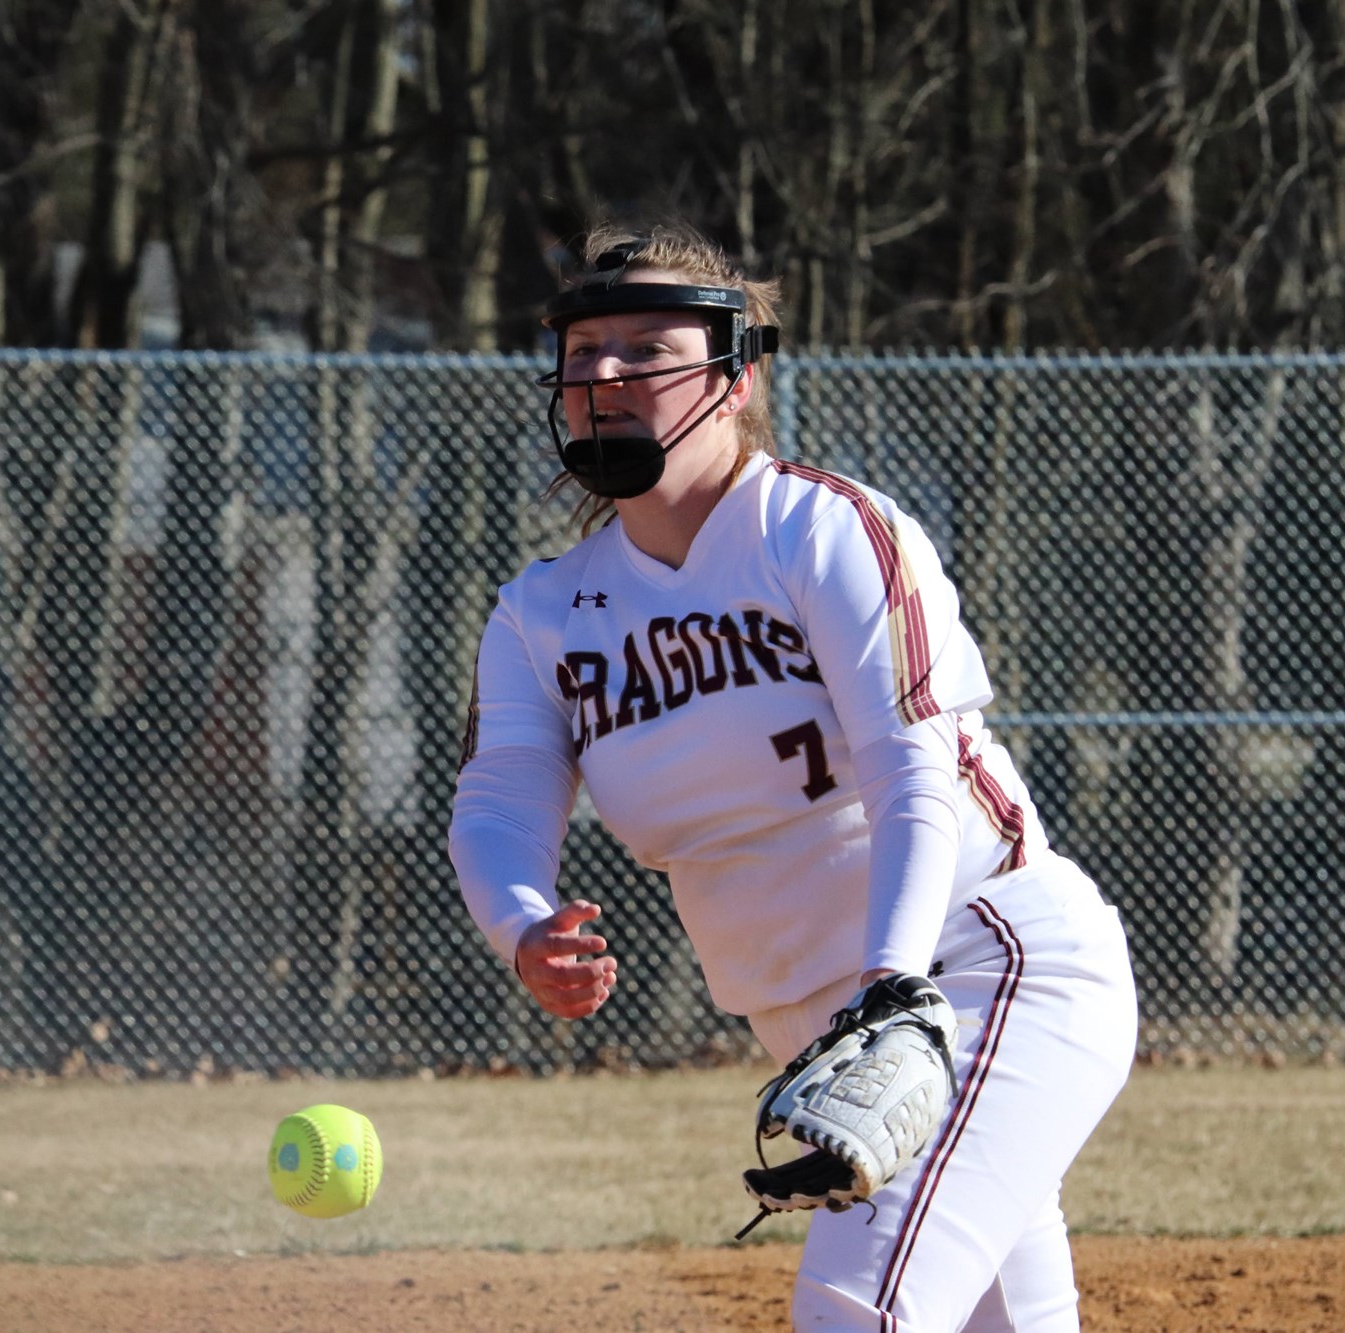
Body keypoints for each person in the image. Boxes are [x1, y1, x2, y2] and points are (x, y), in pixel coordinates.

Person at [447, 217, 1138, 1331]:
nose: (605, 374)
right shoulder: (542, 611)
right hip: (832, 1038)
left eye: (645, 350)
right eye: (583, 354)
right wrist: (521, 923)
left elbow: (912, 769)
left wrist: (895, 988)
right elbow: (497, 800)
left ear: (734, 374)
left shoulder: (818, 529)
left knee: (855, 1311)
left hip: (976, 972)